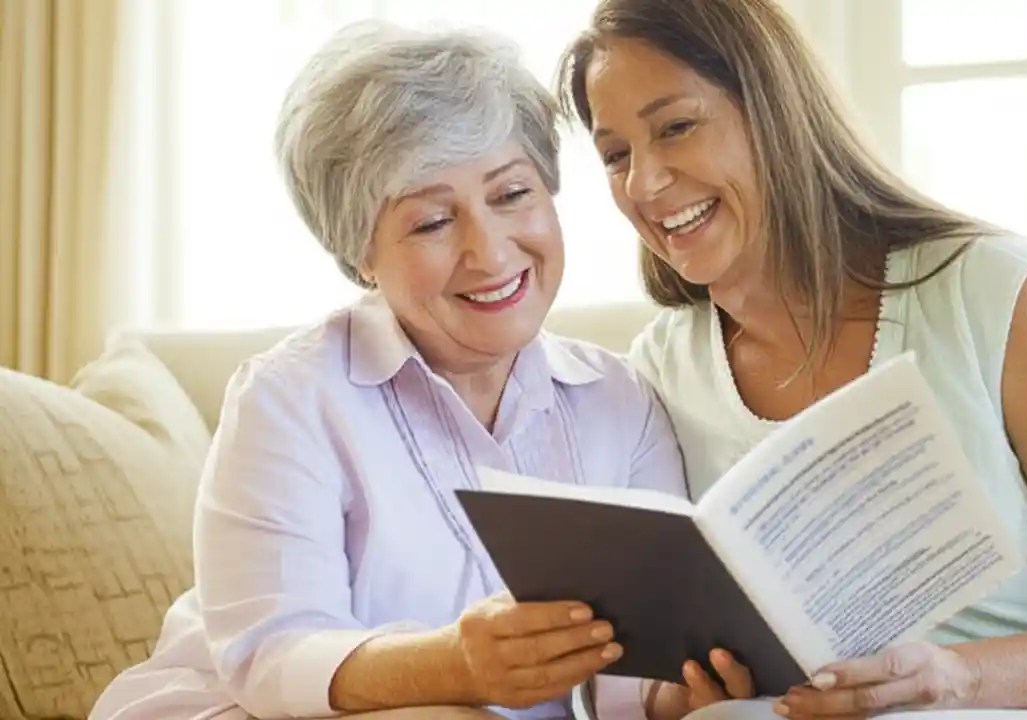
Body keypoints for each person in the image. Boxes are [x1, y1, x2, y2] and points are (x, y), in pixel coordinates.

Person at [556, 1, 1027, 719]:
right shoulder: (657, 371)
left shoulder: (993, 292)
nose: (645, 184)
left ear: (774, 113)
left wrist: (954, 676)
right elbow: (645, 676)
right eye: (617, 155)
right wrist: (675, 694)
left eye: (676, 127)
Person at [89, 20, 683, 720]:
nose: (489, 253)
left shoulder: (621, 403)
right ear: (360, 254)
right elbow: (271, 655)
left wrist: (701, 689)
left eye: (511, 194)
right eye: (432, 222)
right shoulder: (291, 398)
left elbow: (635, 681)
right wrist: (454, 666)